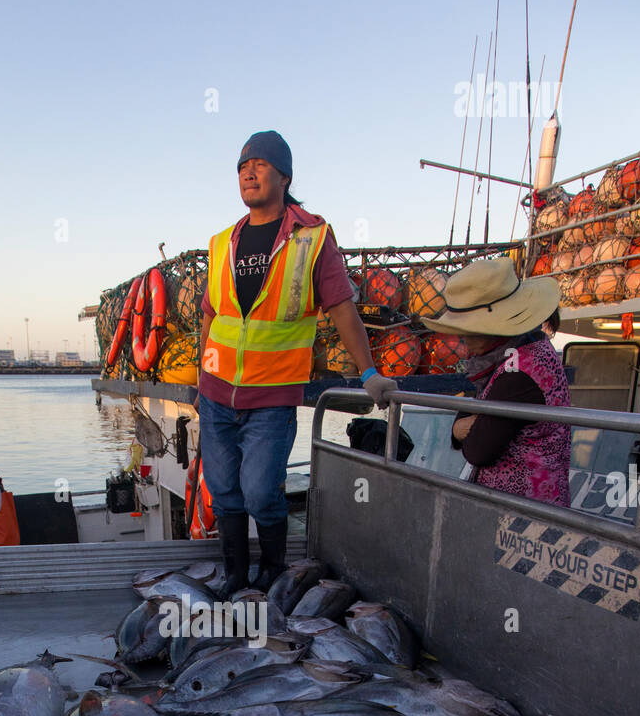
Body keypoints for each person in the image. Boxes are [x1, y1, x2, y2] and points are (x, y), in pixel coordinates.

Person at [198, 130, 397, 593]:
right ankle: (234, 576)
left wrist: (368, 372)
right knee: (224, 490)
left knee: (260, 490)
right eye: (243, 166)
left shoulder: (312, 238)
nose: (249, 172)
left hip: (271, 397)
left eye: (261, 165)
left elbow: (342, 307)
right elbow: (211, 313)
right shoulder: (222, 241)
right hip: (214, 394)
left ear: (284, 176)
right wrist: (201, 374)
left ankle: (271, 571)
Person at [428, 258, 571, 506]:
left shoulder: (518, 373)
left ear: (493, 328)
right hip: (523, 504)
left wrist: (467, 428)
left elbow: (478, 451)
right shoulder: (514, 353)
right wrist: (461, 428)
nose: (461, 338)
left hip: (524, 515)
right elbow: (466, 418)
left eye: (467, 330)